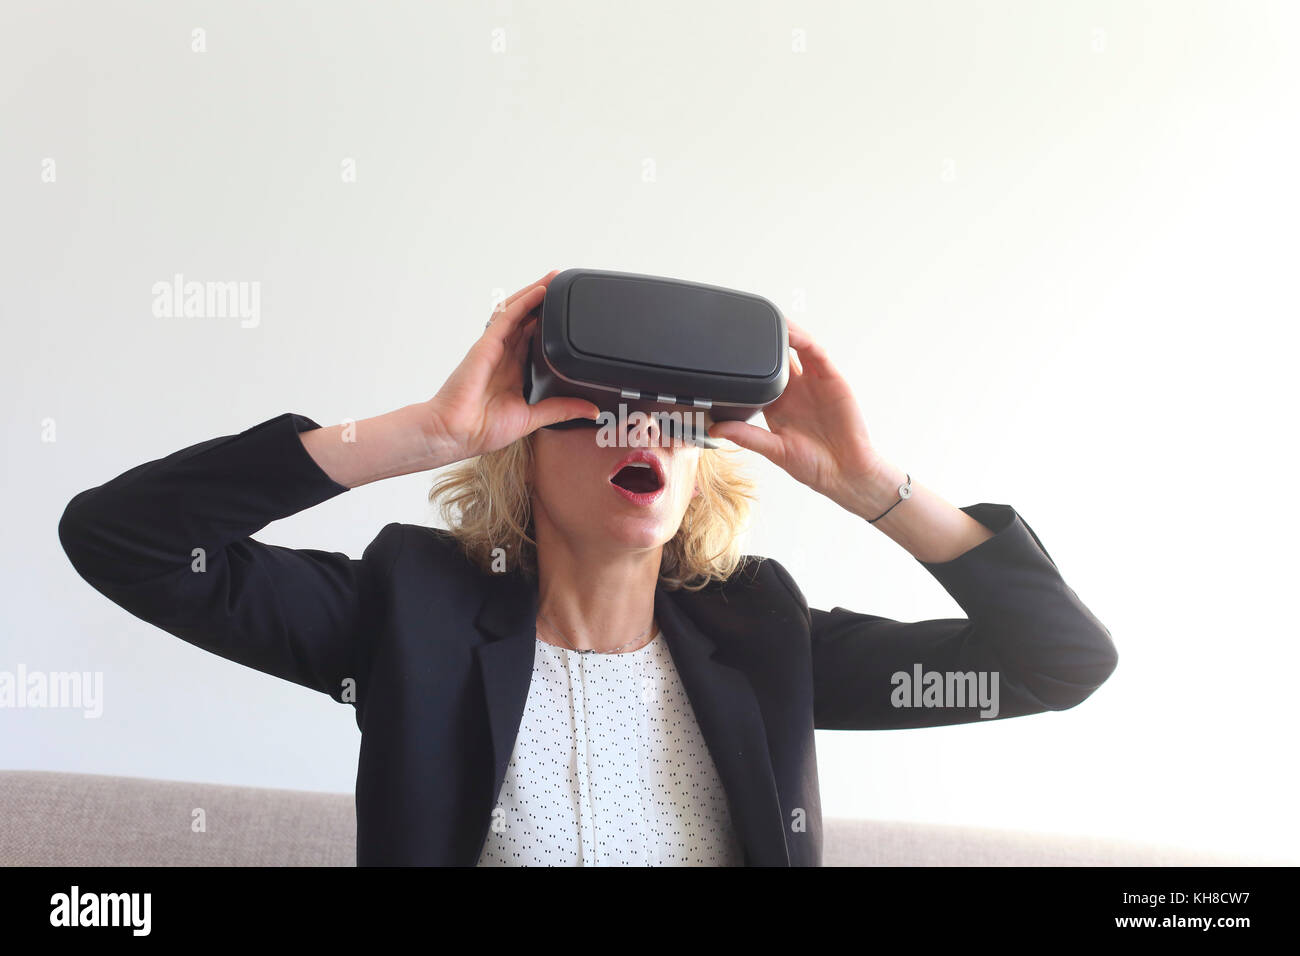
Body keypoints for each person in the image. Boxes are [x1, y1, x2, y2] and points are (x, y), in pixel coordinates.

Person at [57, 270, 1118, 866]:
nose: (638, 433)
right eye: (597, 410)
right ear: (519, 451)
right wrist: (425, 431)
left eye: (672, 416)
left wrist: (864, 477)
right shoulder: (408, 612)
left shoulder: (763, 634)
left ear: (701, 468)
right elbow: (125, 539)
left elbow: (1055, 660)